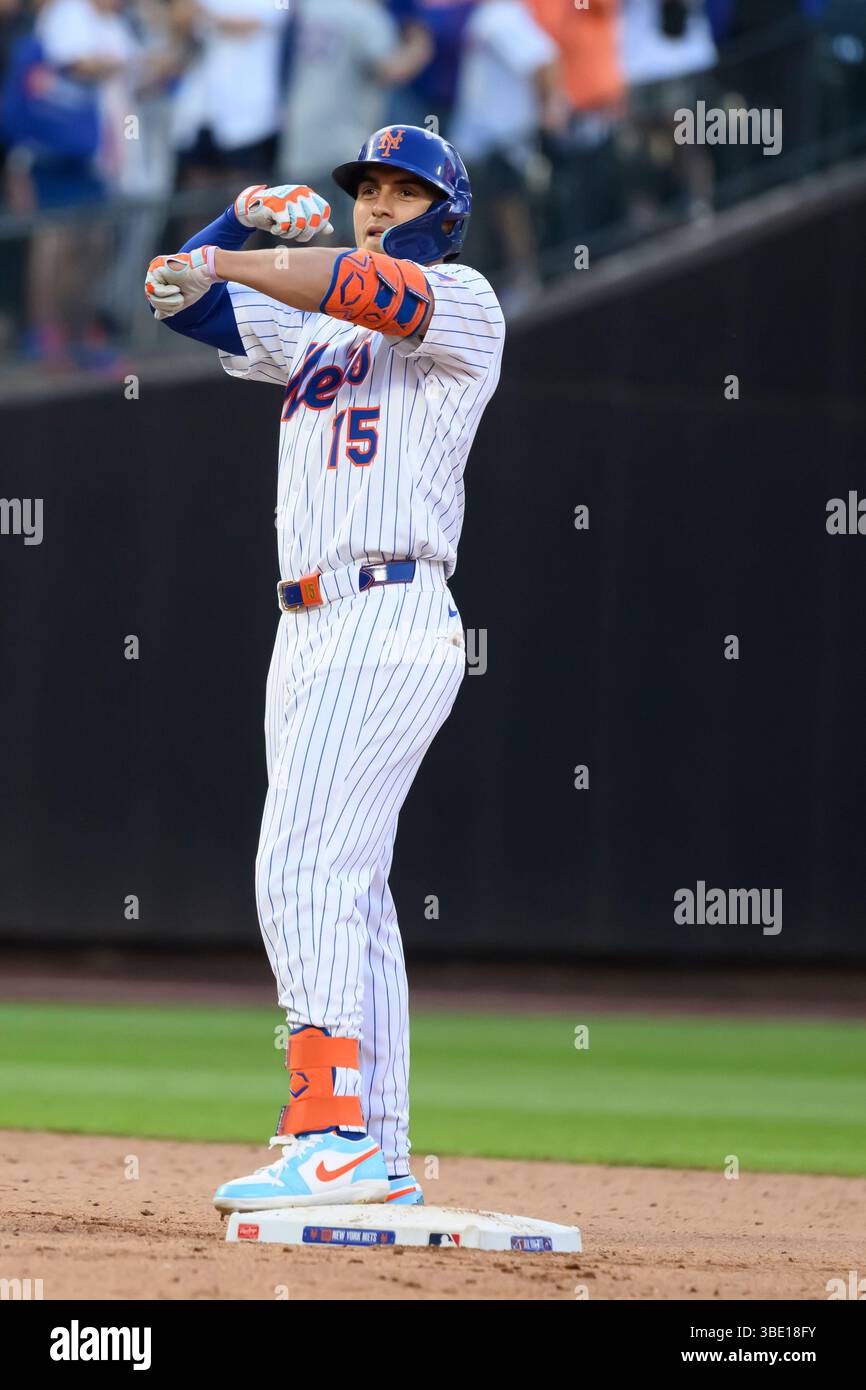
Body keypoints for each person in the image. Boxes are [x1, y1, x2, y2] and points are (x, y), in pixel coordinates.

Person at [144, 125, 505, 1208]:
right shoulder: (309, 331)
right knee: (350, 889)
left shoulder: (466, 303)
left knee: (296, 868)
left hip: (387, 609)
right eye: (367, 188)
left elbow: (351, 281)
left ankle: (327, 1125)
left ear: (442, 210)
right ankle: (380, 1150)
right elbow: (171, 294)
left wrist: (234, 258)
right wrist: (238, 221)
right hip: (303, 624)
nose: (378, 203)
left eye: (403, 190)